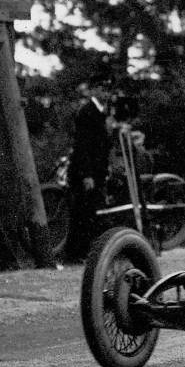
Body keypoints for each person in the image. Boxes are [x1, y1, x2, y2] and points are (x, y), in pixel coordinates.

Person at [64, 70, 115, 261]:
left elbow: (103, 144)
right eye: (101, 88)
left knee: (92, 212)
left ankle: (84, 251)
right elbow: (82, 146)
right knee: (82, 213)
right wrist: (86, 174)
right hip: (86, 172)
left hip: (97, 170)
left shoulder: (102, 112)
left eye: (107, 89)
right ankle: (75, 253)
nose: (105, 92)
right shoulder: (87, 112)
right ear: (93, 90)